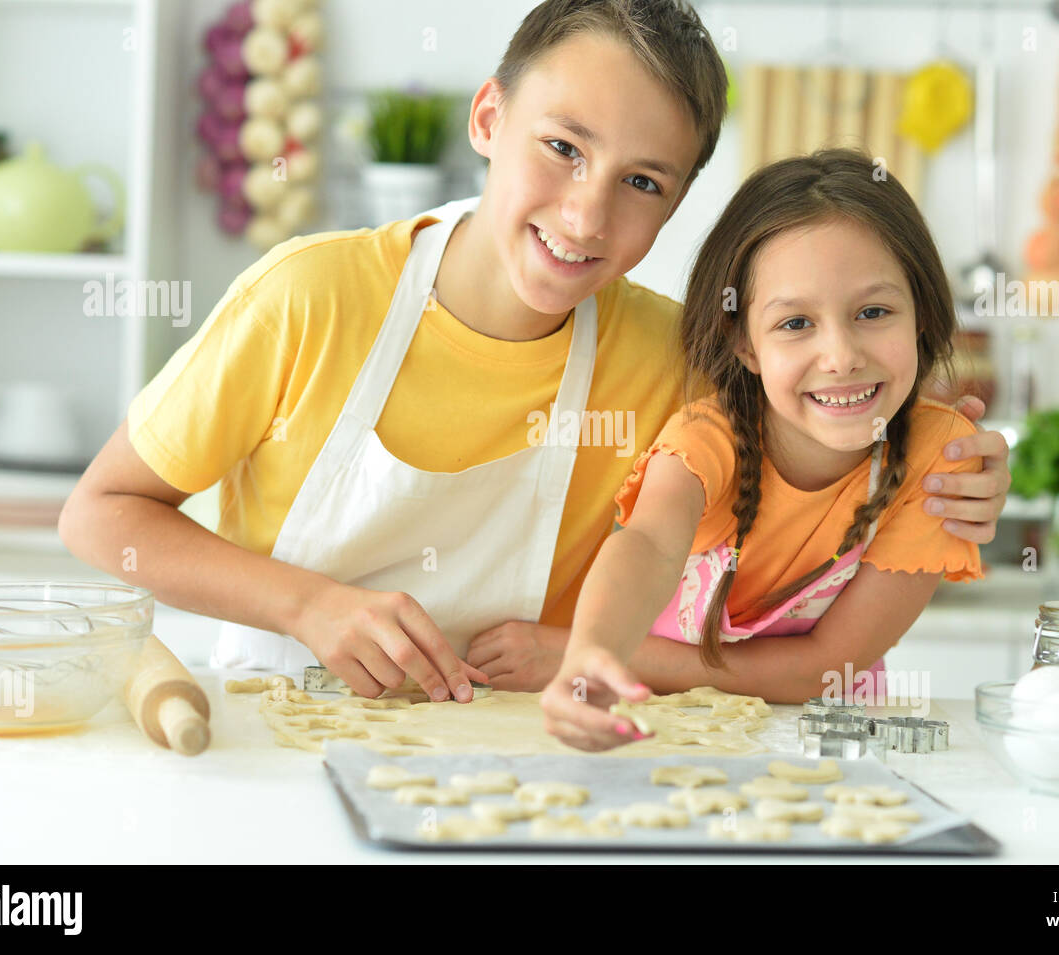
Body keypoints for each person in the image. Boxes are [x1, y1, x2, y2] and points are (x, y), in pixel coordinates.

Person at [59, 1, 1009, 707]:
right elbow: (102, 515)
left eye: (642, 181)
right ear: (488, 119)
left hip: (528, 757)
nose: (587, 213)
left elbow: (829, 428)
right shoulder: (310, 298)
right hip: (281, 740)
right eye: (562, 147)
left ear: (674, 208)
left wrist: (958, 461)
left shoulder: (670, 353)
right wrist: (310, 605)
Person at [542, 149, 991, 749]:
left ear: (922, 319)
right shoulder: (709, 439)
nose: (841, 356)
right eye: (795, 324)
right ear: (746, 346)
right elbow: (647, 543)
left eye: (874, 312)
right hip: (658, 726)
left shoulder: (940, 461)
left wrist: (599, 658)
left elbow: (828, 666)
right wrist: (590, 656)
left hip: (833, 744)